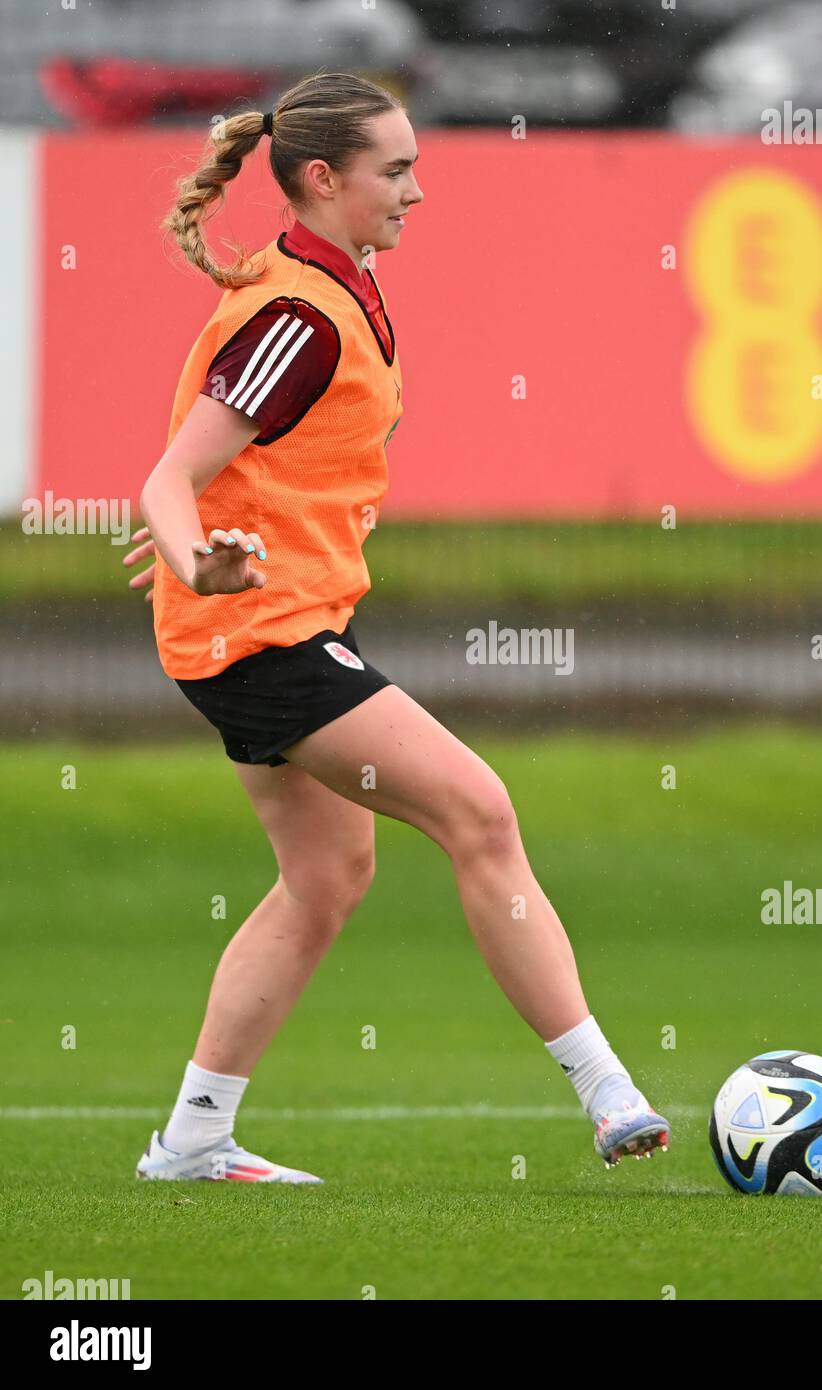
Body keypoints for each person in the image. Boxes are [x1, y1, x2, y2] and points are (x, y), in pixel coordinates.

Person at [127, 70, 670, 1182]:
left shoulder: (338, 279)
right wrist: (197, 558)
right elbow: (171, 478)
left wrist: (202, 549)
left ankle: (190, 1141)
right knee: (479, 810)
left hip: (273, 620)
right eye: (398, 170)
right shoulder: (297, 312)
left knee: (325, 878)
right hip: (260, 636)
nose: (418, 190)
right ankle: (609, 1093)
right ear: (323, 180)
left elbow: (223, 468)